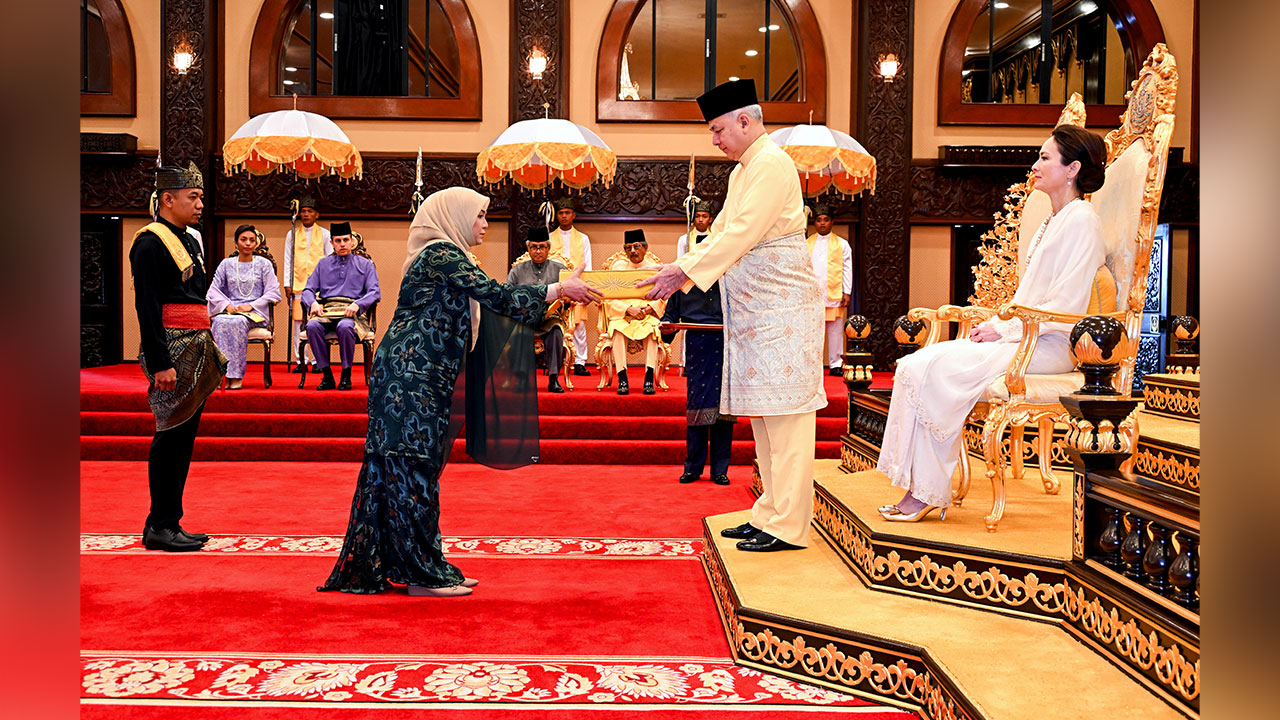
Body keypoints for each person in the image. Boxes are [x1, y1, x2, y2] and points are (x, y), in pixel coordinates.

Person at [318, 187, 601, 597]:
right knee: (412, 468)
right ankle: (420, 573)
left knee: (409, 468)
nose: (485, 225)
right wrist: (557, 289)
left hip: (419, 373)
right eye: (479, 216)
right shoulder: (440, 254)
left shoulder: (450, 255)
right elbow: (498, 296)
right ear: (454, 216)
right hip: (410, 376)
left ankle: (416, 563)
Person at [877, 125, 1108, 523]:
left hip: (1048, 345)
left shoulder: (1082, 221)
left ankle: (926, 492)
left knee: (934, 369)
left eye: (1045, 158)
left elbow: (1064, 306)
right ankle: (922, 486)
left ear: (1072, 169)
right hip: (1023, 337)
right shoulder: (1055, 219)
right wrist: (1000, 326)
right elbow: (1029, 300)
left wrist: (1004, 329)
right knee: (914, 365)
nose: (1034, 166)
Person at [638, 79, 825, 552]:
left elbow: (741, 232)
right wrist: (678, 271)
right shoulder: (744, 171)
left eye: (718, 130)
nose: (715, 141)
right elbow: (719, 233)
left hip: (783, 314)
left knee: (787, 423)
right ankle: (769, 513)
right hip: (758, 316)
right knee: (765, 420)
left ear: (745, 120)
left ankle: (789, 526)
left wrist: (682, 272)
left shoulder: (772, 164)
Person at [129, 162, 227, 552]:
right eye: (194, 197)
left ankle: (169, 520)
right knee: (170, 436)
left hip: (195, 342)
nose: (201, 204)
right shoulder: (150, 243)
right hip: (171, 349)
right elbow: (147, 306)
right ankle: (160, 525)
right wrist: (159, 362)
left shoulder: (188, 239)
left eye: (201, 196)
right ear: (168, 199)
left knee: (182, 439)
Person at [659, 229, 733, 486]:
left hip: (725, 347)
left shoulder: (729, 279)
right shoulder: (684, 283)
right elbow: (669, 316)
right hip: (698, 347)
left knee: (723, 411)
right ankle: (693, 467)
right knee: (697, 408)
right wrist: (667, 327)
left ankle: (720, 469)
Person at [301, 222, 381, 391]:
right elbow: (308, 290)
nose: (342, 244)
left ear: (352, 241)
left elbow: (374, 292)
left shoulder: (365, 264)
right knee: (312, 325)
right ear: (332, 243)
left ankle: (346, 375)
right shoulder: (323, 264)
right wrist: (313, 303)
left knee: (344, 326)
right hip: (328, 311)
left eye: (346, 240)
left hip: (353, 313)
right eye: (338, 241)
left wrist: (358, 304)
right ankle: (327, 375)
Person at [206, 224, 282, 389]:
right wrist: (226, 304)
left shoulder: (264, 264)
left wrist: (251, 305)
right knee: (219, 321)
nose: (248, 243)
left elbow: (274, 292)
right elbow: (213, 290)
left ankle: (235, 375)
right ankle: (220, 375)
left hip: (255, 312)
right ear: (235, 242)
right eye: (243, 239)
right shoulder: (226, 264)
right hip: (232, 310)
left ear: (256, 243)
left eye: (252, 240)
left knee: (238, 322)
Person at [507, 227, 569, 393]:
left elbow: (569, 295)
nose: (538, 251)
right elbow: (507, 294)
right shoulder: (517, 271)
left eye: (542, 247)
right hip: (525, 318)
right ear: (528, 248)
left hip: (549, 317)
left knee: (556, 331)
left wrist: (564, 301)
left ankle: (553, 378)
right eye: (534, 247)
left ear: (548, 248)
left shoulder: (560, 270)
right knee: (517, 331)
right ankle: (521, 378)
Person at [604, 229, 665, 395]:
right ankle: (622, 378)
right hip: (624, 315)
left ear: (645, 248)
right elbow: (608, 298)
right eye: (628, 248)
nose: (632, 251)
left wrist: (648, 309)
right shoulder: (618, 268)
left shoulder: (654, 268)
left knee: (654, 330)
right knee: (616, 329)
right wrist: (628, 309)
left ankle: (649, 378)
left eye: (636, 246)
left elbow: (663, 297)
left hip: (647, 314)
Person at [283, 196, 333, 372]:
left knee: (318, 322)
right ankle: (301, 361)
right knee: (298, 323)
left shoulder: (325, 234)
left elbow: (330, 260)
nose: (305, 214)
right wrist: (287, 283)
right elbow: (288, 259)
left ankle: (317, 361)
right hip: (298, 284)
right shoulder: (292, 234)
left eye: (309, 211)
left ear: (316, 214)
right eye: (303, 211)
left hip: (320, 287)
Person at [806, 204, 853, 375]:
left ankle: (835, 364)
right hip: (811, 295)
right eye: (819, 220)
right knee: (812, 331)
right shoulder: (806, 244)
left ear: (832, 222)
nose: (822, 223)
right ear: (814, 222)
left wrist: (847, 291)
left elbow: (847, 268)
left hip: (834, 293)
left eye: (826, 220)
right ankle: (812, 365)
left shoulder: (842, 244)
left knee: (835, 330)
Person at [548, 198, 593, 376]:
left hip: (578, 286)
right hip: (557, 287)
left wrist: (586, 289)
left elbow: (587, 266)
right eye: (561, 213)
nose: (564, 216)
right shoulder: (550, 238)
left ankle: (580, 362)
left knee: (579, 324)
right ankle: (556, 362)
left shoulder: (583, 239)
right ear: (557, 216)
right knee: (556, 324)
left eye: (567, 213)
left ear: (573, 215)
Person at [674, 201, 715, 375]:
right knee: (689, 324)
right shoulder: (684, 239)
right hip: (690, 286)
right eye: (697, 216)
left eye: (704, 216)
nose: (700, 219)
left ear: (710, 219)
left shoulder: (716, 238)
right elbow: (680, 261)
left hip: (710, 285)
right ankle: (685, 362)